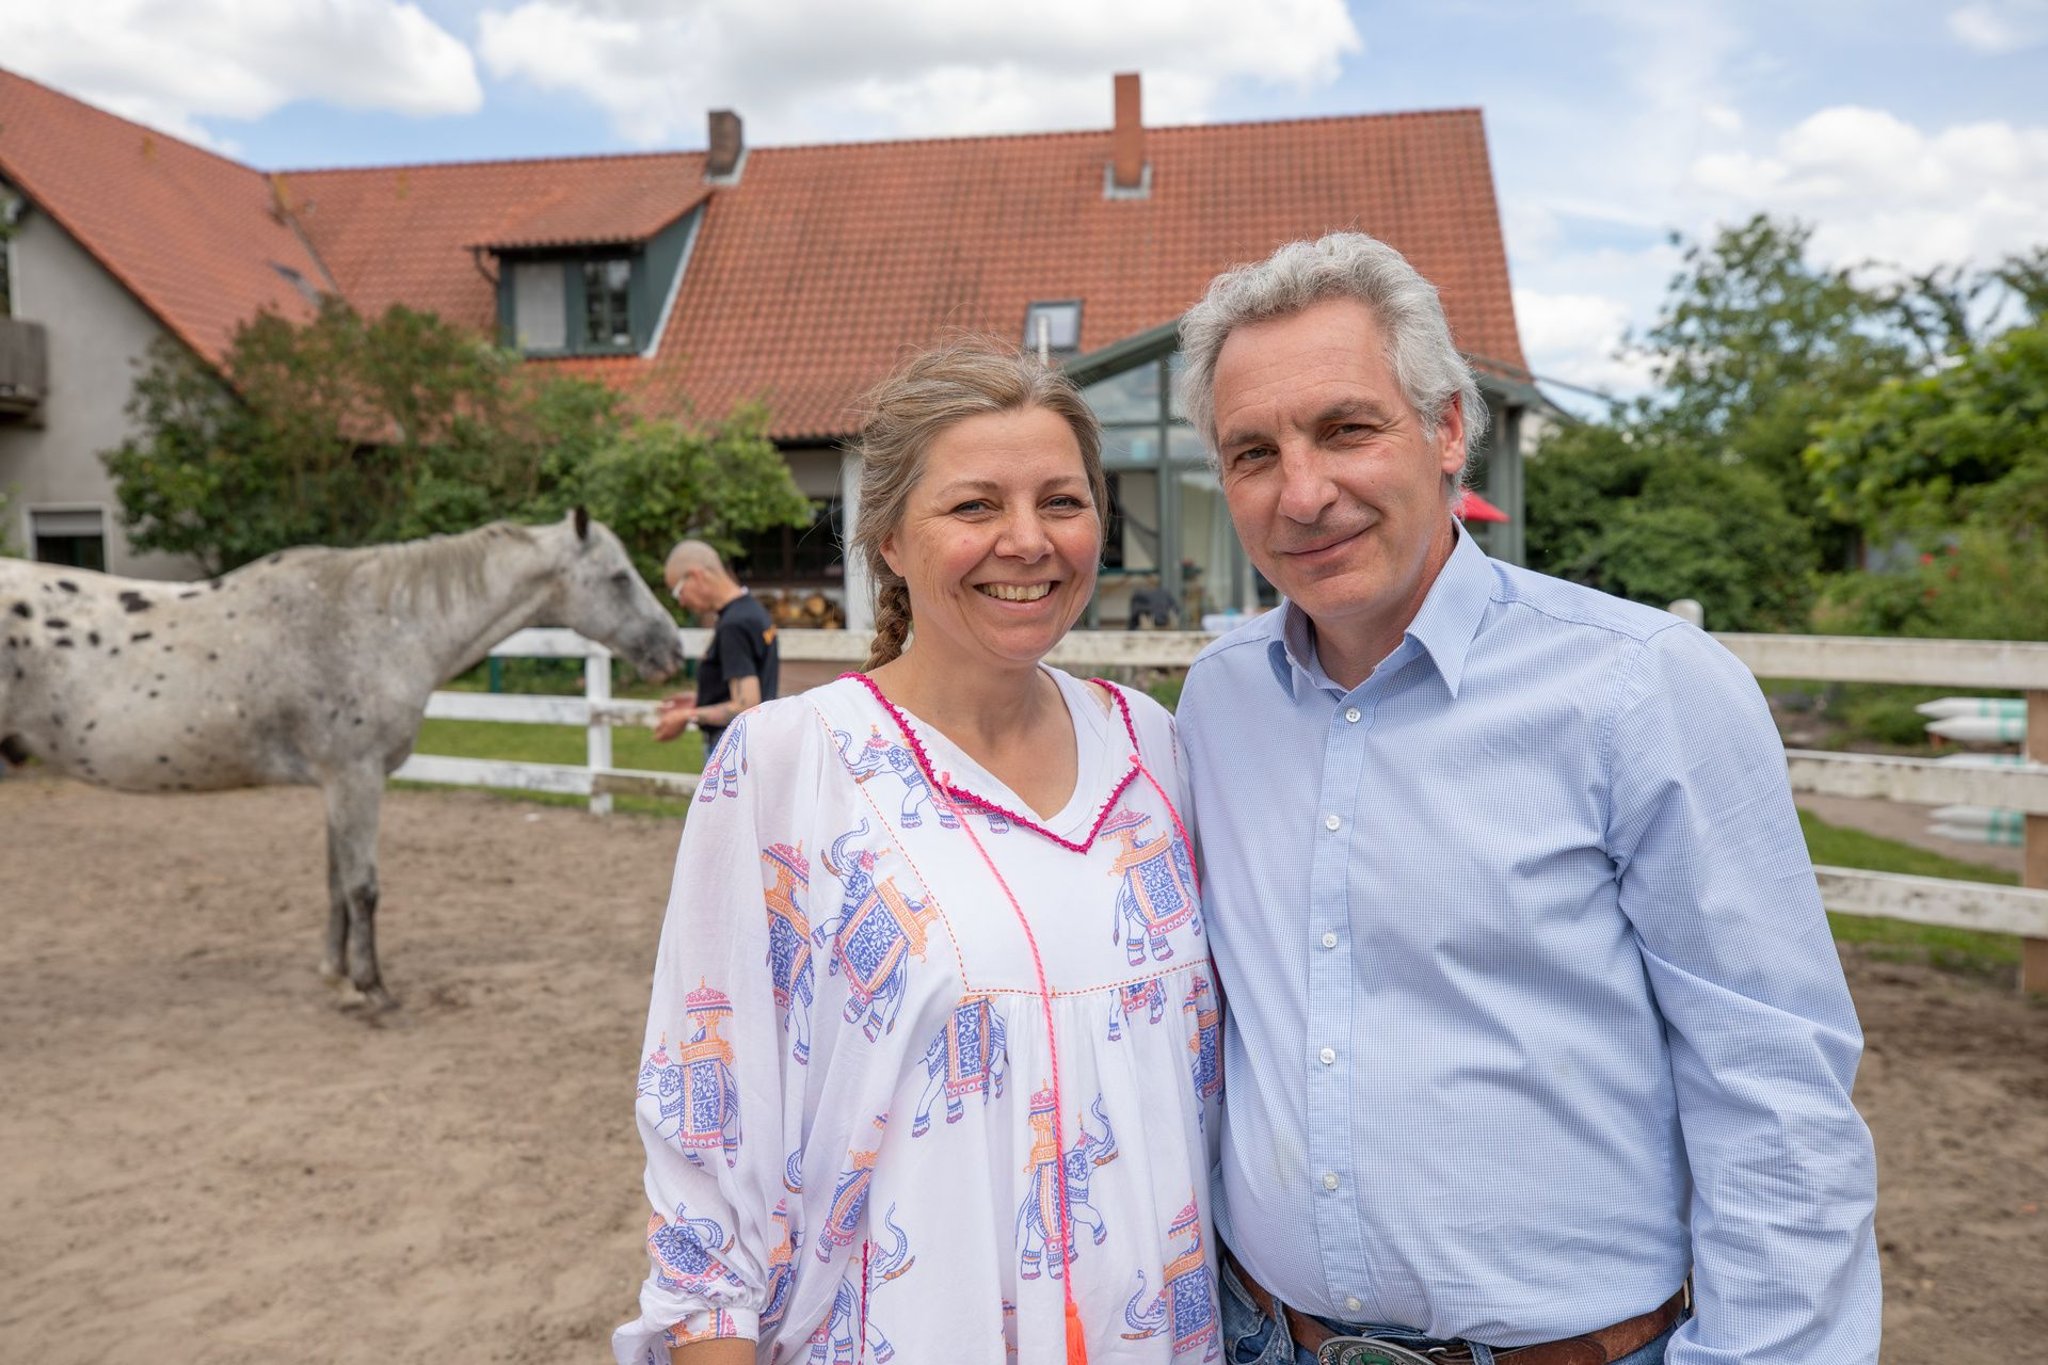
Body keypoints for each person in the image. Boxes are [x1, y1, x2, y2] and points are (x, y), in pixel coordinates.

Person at [1173, 233, 1881, 1365]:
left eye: (1346, 429)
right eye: (1251, 452)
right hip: (1269, 1340)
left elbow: (1772, 1092)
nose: (1302, 493)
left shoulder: (1637, 688)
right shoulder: (1215, 707)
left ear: (1446, 429)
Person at [615, 342, 1222, 1364]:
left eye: (1060, 502)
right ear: (889, 537)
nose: (1025, 542)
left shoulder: (1152, 746)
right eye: (974, 507)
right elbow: (704, 1133)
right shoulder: (789, 765)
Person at [655, 542, 779, 754]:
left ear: (696, 576)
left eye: (678, 592)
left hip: (731, 750)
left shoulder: (734, 624)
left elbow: (746, 705)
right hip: (754, 746)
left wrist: (686, 716)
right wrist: (700, 699)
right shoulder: (752, 611)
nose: (682, 602)